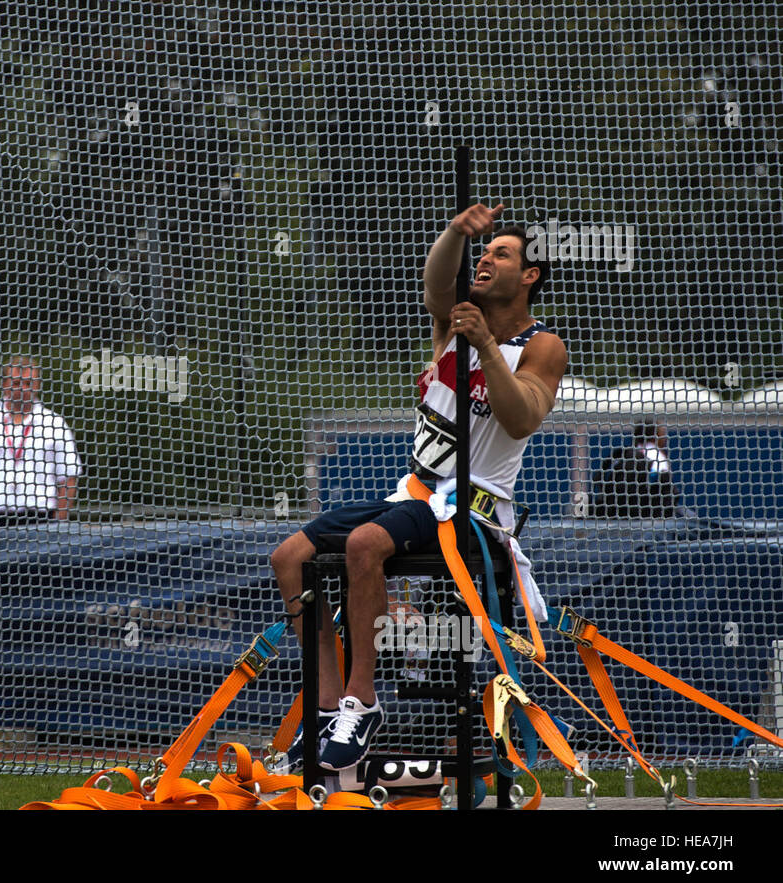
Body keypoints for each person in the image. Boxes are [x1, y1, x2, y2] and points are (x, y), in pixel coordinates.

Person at [270, 202, 567, 771]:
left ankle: (363, 701)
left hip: (472, 511)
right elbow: (435, 283)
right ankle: (329, 707)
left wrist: (483, 345)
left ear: (529, 275)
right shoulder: (454, 318)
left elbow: (521, 417)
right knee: (290, 557)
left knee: (364, 545)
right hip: (415, 495)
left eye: (500, 253)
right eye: (482, 251)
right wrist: (456, 231)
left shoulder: (540, 346)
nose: (485, 259)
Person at [0, 356, 82, 527]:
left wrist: (59, 521)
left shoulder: (54, 424)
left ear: (37, 385)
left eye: (28, 383)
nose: (22, 389)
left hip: (40, 518)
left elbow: (68, 477)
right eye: (16, 383)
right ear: (4, 384)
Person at [590, 419, 688, 518]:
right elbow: (663, 487)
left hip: (614, 508)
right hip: (642, 511)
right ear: (658, 435)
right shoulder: (656, 455)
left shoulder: (622, 454)